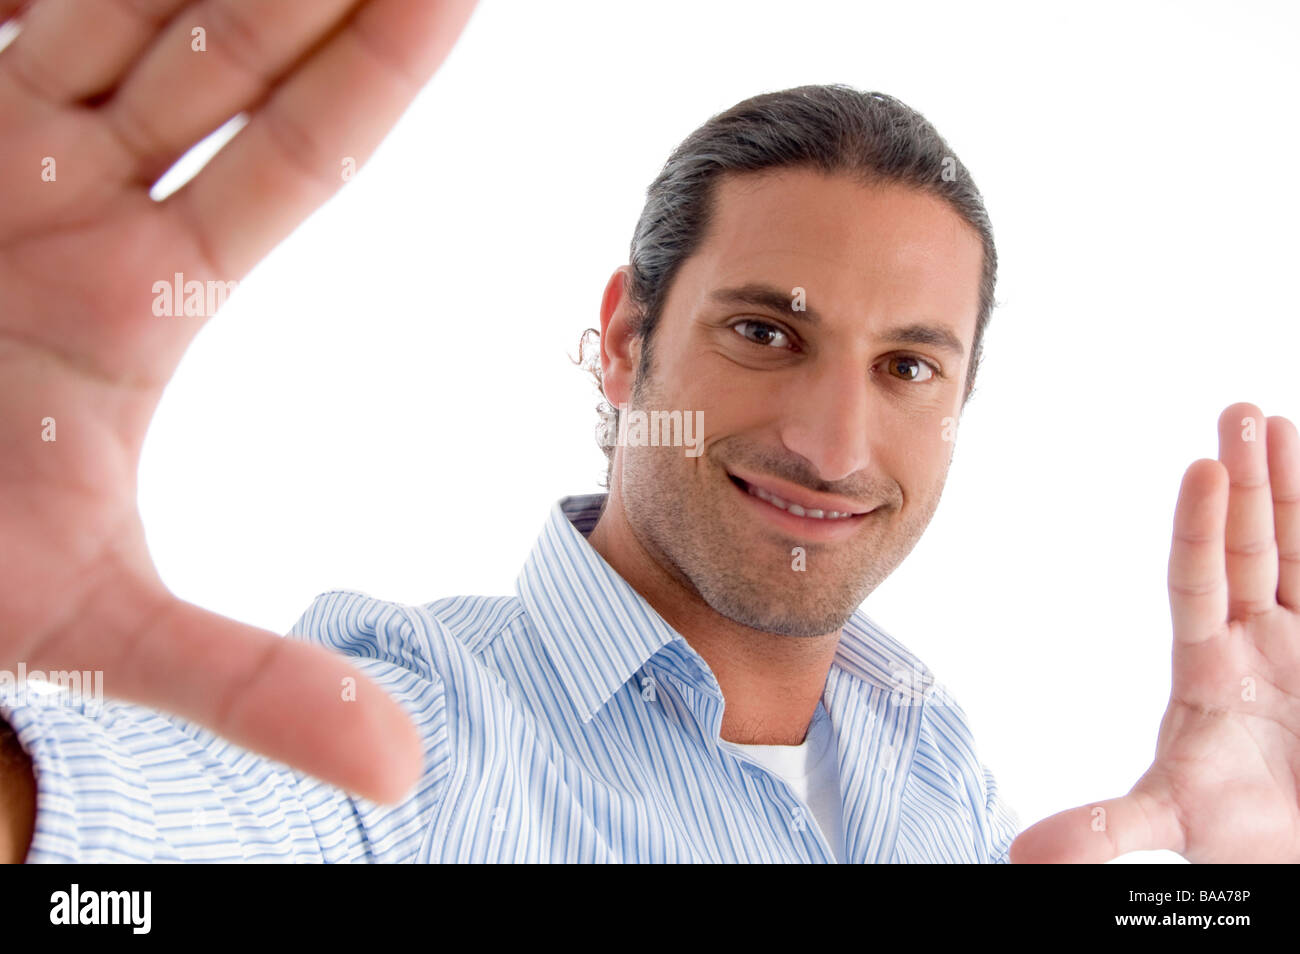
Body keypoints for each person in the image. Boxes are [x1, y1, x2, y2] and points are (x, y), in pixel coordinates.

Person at [1, 0, 1297, 864]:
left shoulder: (936, 773)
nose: (836, 442)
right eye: (765, 334)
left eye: (907, 364)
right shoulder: (413, 731)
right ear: (627, 344)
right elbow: (152, 820)